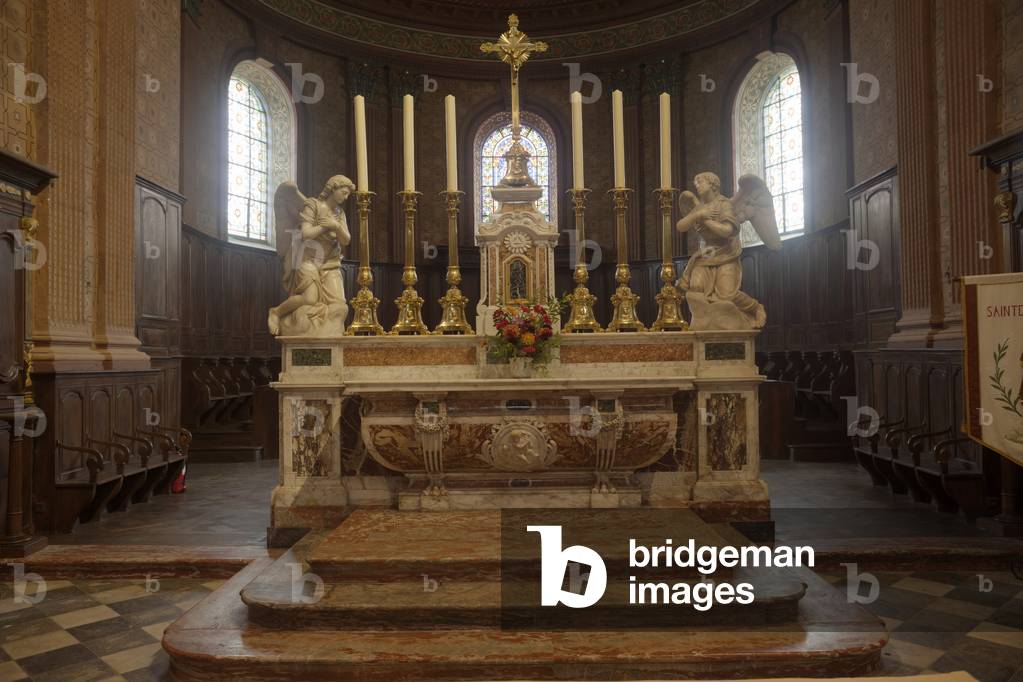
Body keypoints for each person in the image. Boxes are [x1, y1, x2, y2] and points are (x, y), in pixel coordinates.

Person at [268, 175, 354, 336]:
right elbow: (306, 234)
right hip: (307, 259)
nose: (346, 197)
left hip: (329, 263)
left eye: (348, 194)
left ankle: (322, 330)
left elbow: (346, 239)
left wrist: (335, 225)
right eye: (344, 192)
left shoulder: (339, 213)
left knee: (340, 306)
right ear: (333, 188)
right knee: (310, 299)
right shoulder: (312, 205)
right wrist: (324, 227)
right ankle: (276, 312)